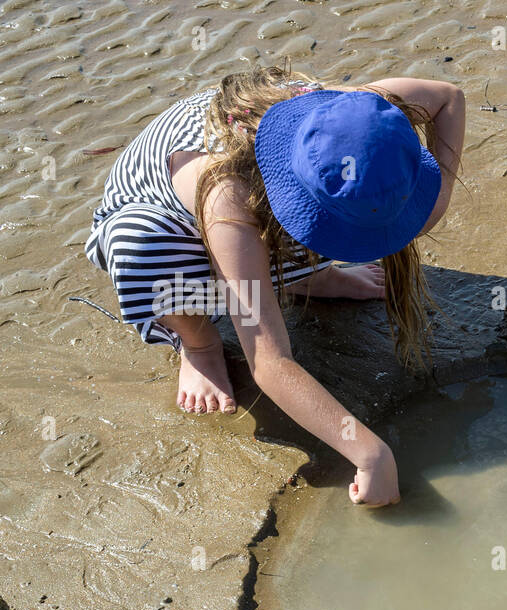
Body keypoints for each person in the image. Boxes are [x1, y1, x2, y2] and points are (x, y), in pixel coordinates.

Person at [84, 65, 465, 506]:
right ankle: (198, 343)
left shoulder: (355, 112)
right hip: (167, 224)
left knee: (341, 212)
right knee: (141, 247)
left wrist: (436, 200)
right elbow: (270, 360)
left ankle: (310, 278)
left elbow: (448, 97)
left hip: (268, 176)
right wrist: (370, 453)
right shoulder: (227, 194)